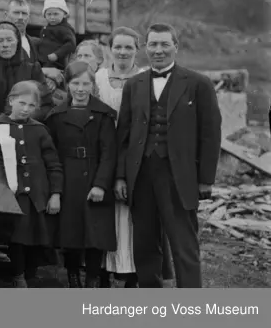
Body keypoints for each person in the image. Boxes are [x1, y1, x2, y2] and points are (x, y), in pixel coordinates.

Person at [114, 23, 222, 288]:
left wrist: (205, 179)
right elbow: (123, 135)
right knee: (145, 243)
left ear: (176, 47)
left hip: (180, 176)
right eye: (153, 44)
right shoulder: (134, 84)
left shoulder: (199, 84)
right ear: (146, 48)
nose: (158, 50)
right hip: (141, 175)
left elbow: (210, 134)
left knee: (184, 244)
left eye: (164, 44)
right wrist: (120, 177)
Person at [47, 60, 118, 288]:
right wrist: (56, 189)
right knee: (71, 230)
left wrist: (100, 184)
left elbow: (109, 153)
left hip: (95, 175)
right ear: (67, 85)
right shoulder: (57, 116)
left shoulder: (103, 115)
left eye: (85, 83)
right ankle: (73, 276)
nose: (80, 89)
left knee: (96, 231)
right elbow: (52, 155)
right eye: (75, 83)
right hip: (69, 177)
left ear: (92, 85)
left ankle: (93, 277)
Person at [0, 80, 63, 288]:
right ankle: (18, 275)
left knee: (34, 237)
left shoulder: (40, 130)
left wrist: (55, 193)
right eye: (22, 103)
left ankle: (30, 275)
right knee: (16, 238)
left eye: (31, 106)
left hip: (36, 195)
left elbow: (53, 165)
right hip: (11, 195)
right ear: (11, 101)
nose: (26, 109)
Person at [94, 26, 145, 287]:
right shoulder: (100, 77)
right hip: (103, 151)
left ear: (137, 50)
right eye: (118, 47)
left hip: (133, 151)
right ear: (110, 49)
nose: (122, 52)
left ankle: (130, 271)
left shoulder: (145, 78)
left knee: (129, 210)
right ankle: (103, 269)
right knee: (105, 211)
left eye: (128, 47)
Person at [0, 21, 51, 128]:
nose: (5, 45)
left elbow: (47, 105)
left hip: (26, 130)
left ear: (18, 42)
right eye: (0, 41)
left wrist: (25, 119)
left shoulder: (33, 69)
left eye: (9, 40)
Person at [35, 0, 77, 73]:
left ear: (64, 14)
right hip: (43, 62)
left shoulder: (65, 28)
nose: (52, 17)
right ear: (44, 15)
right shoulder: (46, 28)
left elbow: (71, 44)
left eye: (55, 14)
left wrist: (57, 54)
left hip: (56, 64)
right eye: (49, 14)